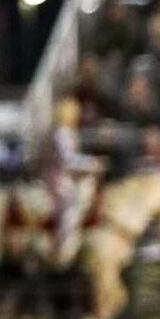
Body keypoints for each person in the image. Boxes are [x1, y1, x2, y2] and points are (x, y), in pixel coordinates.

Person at [40, 96, 104, 267]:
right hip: (58, 178)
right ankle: (63, 246)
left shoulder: (62, 132)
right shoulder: (61, 132)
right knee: (71, 205)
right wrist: (92, 163)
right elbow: (68, 160)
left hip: (61, 175)